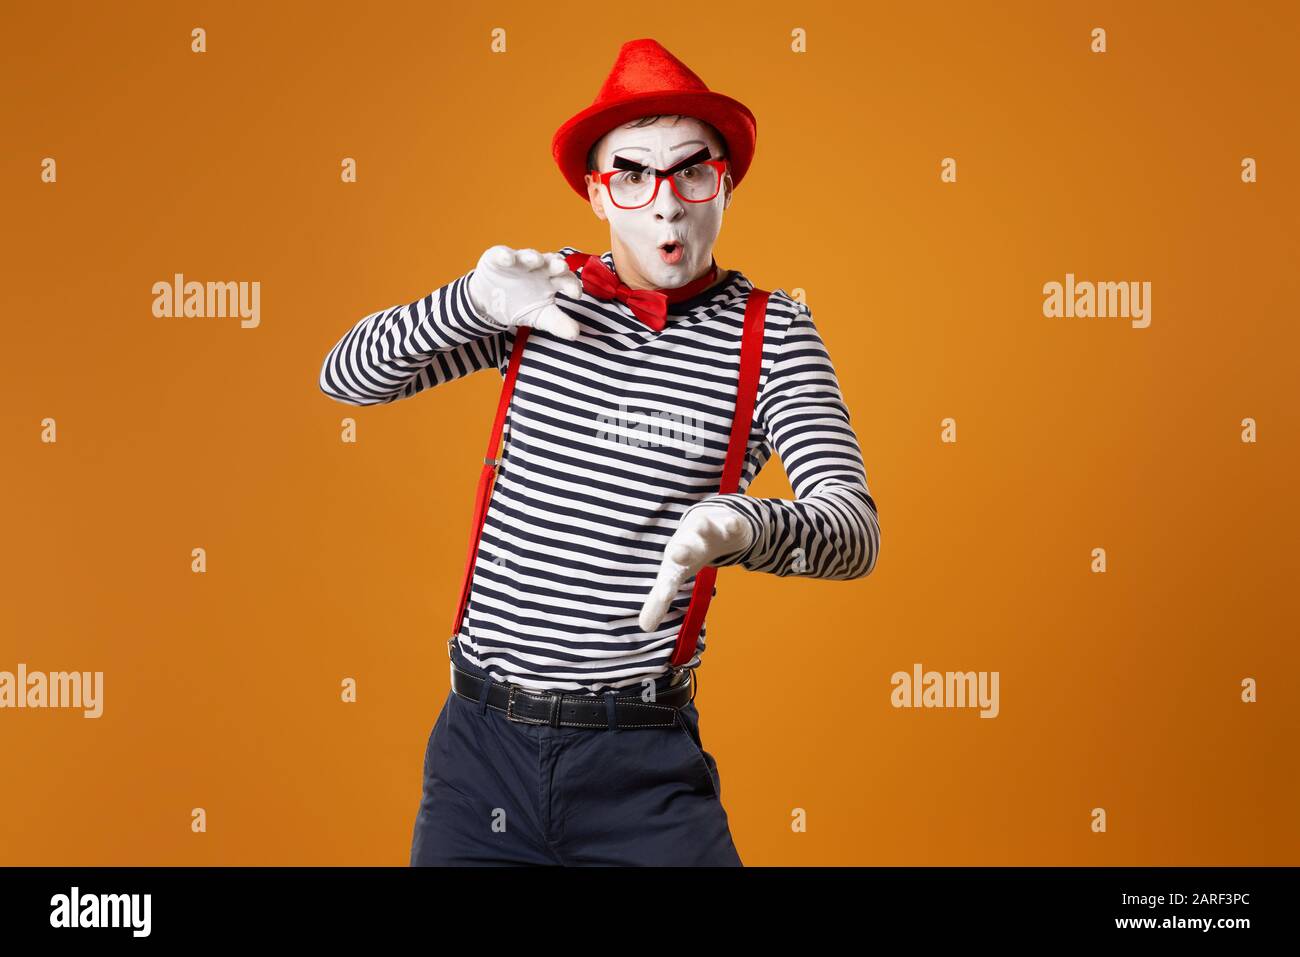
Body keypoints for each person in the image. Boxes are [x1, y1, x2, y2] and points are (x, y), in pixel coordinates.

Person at [318, 38, 881, 866]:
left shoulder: (774, 334)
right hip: (480, 756)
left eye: (692, 172)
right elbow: (347, 378)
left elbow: (853, 530)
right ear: (596, 191)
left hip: (640, 766)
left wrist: (742, 525)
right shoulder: (542, 296)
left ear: (725, 181)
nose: (666, 206)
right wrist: (470, 301)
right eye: (633, 175)